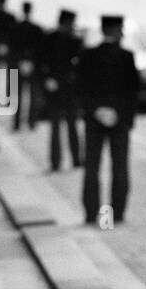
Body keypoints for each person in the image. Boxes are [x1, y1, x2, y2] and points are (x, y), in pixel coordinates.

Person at [78, 15, 140, 226]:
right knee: (119, 167)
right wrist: (120, 115)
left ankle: (91, 212)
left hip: (94, 119)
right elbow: (132, 92)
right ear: (114, 31)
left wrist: (95, 110)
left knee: (92, 166)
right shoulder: (126, 56)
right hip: (119, 119)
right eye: (120, 29)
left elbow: (82, 87)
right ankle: (116, 213)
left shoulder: (88, 55)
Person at [40, 9, 83, 171]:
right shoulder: (50, 39)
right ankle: (55, 161)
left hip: (70, 90)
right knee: (56, 127)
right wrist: (47, 79)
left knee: (72, 126)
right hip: (54, 89)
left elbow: (80, 67)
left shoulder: (76, 41)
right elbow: (42, 61)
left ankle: (76, 158)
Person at [11, 1, 43, 131]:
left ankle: (17, 123)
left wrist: (19, 61)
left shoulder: (15, 27)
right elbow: (40, 50)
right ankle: (31, 122)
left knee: (18, 95)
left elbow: (11, 47)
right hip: (31, 66)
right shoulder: (36, 29)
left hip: (19, 64)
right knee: (32, 96)